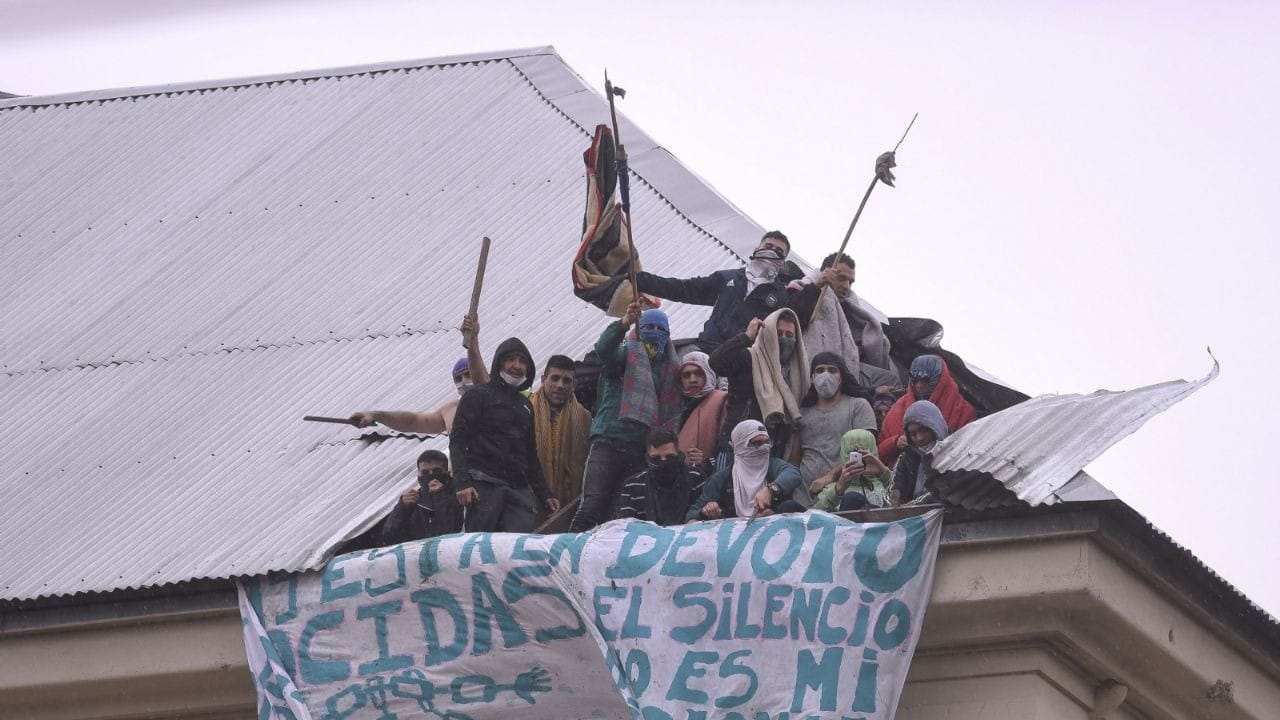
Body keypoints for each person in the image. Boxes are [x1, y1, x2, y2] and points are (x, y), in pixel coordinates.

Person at [568, 303, 682, 532]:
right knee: (591, 506)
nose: (655, 333)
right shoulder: (625, 354)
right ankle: (568, 554)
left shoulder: (668, 369)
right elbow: (604, 349)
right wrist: (624, 323)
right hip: (608, 442)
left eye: (661, 329)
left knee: (622, 511)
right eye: (648, 327)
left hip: (639, 450)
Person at [450, 337, 559, 532]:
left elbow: (529, 454)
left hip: (517, 491)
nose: (517, 366)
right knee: (481, 551)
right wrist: (462, 483)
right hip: (483, 486)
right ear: (499, 362)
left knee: (515, 551)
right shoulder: (477, 395)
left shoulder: (525, 405)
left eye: (522, 361)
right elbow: (458, 441)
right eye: (511, 359)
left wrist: (545, 494)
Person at [635, 231, 798, 348]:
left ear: (783, 263)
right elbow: (681, 289)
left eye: (778, 251)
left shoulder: (782, 296)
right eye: (768, 246)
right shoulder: (727, 278)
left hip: (742, 358)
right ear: (756, 250)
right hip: (706, 347)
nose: (772, 251)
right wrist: (638, 279)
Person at [348, 316, 489, 434]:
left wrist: (473, 341)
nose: (464, 381)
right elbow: (412, 422)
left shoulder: (500, 402)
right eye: (459, 378)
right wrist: (375, 415)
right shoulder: (451, 410)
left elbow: (484, 384)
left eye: (468, 374)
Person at [708, 307, 809, 457]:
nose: (783, 339)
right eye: (778, 333)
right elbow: (716, 362)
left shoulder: (798, 372)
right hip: (736, 448)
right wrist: (746, 337)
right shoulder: (749, 358)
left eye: (789, 335)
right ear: (767, 334)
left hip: (773, 451)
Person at [787, 252, 897, 390]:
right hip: (810, 369)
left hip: (846, 370)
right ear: (826, 273)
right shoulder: (802, 289)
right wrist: (817, 286)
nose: (846, 286)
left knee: (891, 381)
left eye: (850, 282)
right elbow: (792, 316)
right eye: (841, 278)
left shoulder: (850, 309)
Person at [794, 352, 878, 507]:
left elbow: (865, 452)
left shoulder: (858, 406)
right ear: (812, 377)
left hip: (845, 495)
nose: (825, 375)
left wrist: (830, 477)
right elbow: (795, 458)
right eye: (819, 370)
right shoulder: (802, 413)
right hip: (805, 498)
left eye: (832, 370)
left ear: (842, 376)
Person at [686, 420, 803, 522]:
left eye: (766, 442)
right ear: (740, 446)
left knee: (789, 506)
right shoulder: (723, 478)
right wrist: (706, 512)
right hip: (736, 540)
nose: (763, 447)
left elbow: (793, 473)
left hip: (778, 537)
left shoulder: (772, 465)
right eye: (757, 443)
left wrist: (771, 490)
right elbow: (692, 515)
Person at [878, 354, 977, 466]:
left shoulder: (962, 411)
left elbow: (971, 453)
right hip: (900, 477)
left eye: (925, 380)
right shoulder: (897, 410)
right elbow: (878, 453)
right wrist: (895, 442)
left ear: (941, 378)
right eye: (915, 380)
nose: (919, 385)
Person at [530, 355, 592, 511]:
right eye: (555, 378)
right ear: (543, 379)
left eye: (567, 381)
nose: (560, 385)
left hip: (569, 508)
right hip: (529, 506)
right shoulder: (525, 411)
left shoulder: (585, 418)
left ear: (574, 385)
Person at [615, 428, 706, 526]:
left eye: (670, 456)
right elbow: (627, 526)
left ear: (678, 453)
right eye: (656, 458)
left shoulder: (696, 477)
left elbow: (704, 517)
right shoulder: (632, 485)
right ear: (648, 457)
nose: (663, 462)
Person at [380, 450, 463, 545]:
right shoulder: (414, 500)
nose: (431, 475)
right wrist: (402, 508)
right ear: (419, 476)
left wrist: (441, 496)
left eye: (437, 471)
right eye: (425, 472)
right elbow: (389, 536)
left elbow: (450, 530)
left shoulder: (460, 495)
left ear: (447, 472)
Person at [812, 430, 892, 512]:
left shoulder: (888, 484)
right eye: (853, 454)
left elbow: (902, 498)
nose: (859, 459)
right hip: (847, 523)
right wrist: (837, 490)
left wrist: (884, 473)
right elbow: (814, 516)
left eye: (864, 453)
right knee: (851, 498)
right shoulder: (834, 490)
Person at [675, 351, 728, 473]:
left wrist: (707, 462)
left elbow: (726, 448)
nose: (692, 380)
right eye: (686, 375)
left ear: (709, 373)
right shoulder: (677, 406)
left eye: (699, 373)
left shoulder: (722, 400)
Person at [892, 400, 950, 505]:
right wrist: (895, 503)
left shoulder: (952, 453)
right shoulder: (907, 456)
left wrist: (912, 506)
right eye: (913, 434)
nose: (919, 439)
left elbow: (943, 491)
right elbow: (895, 487)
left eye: (924, 431)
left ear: (935, 426)